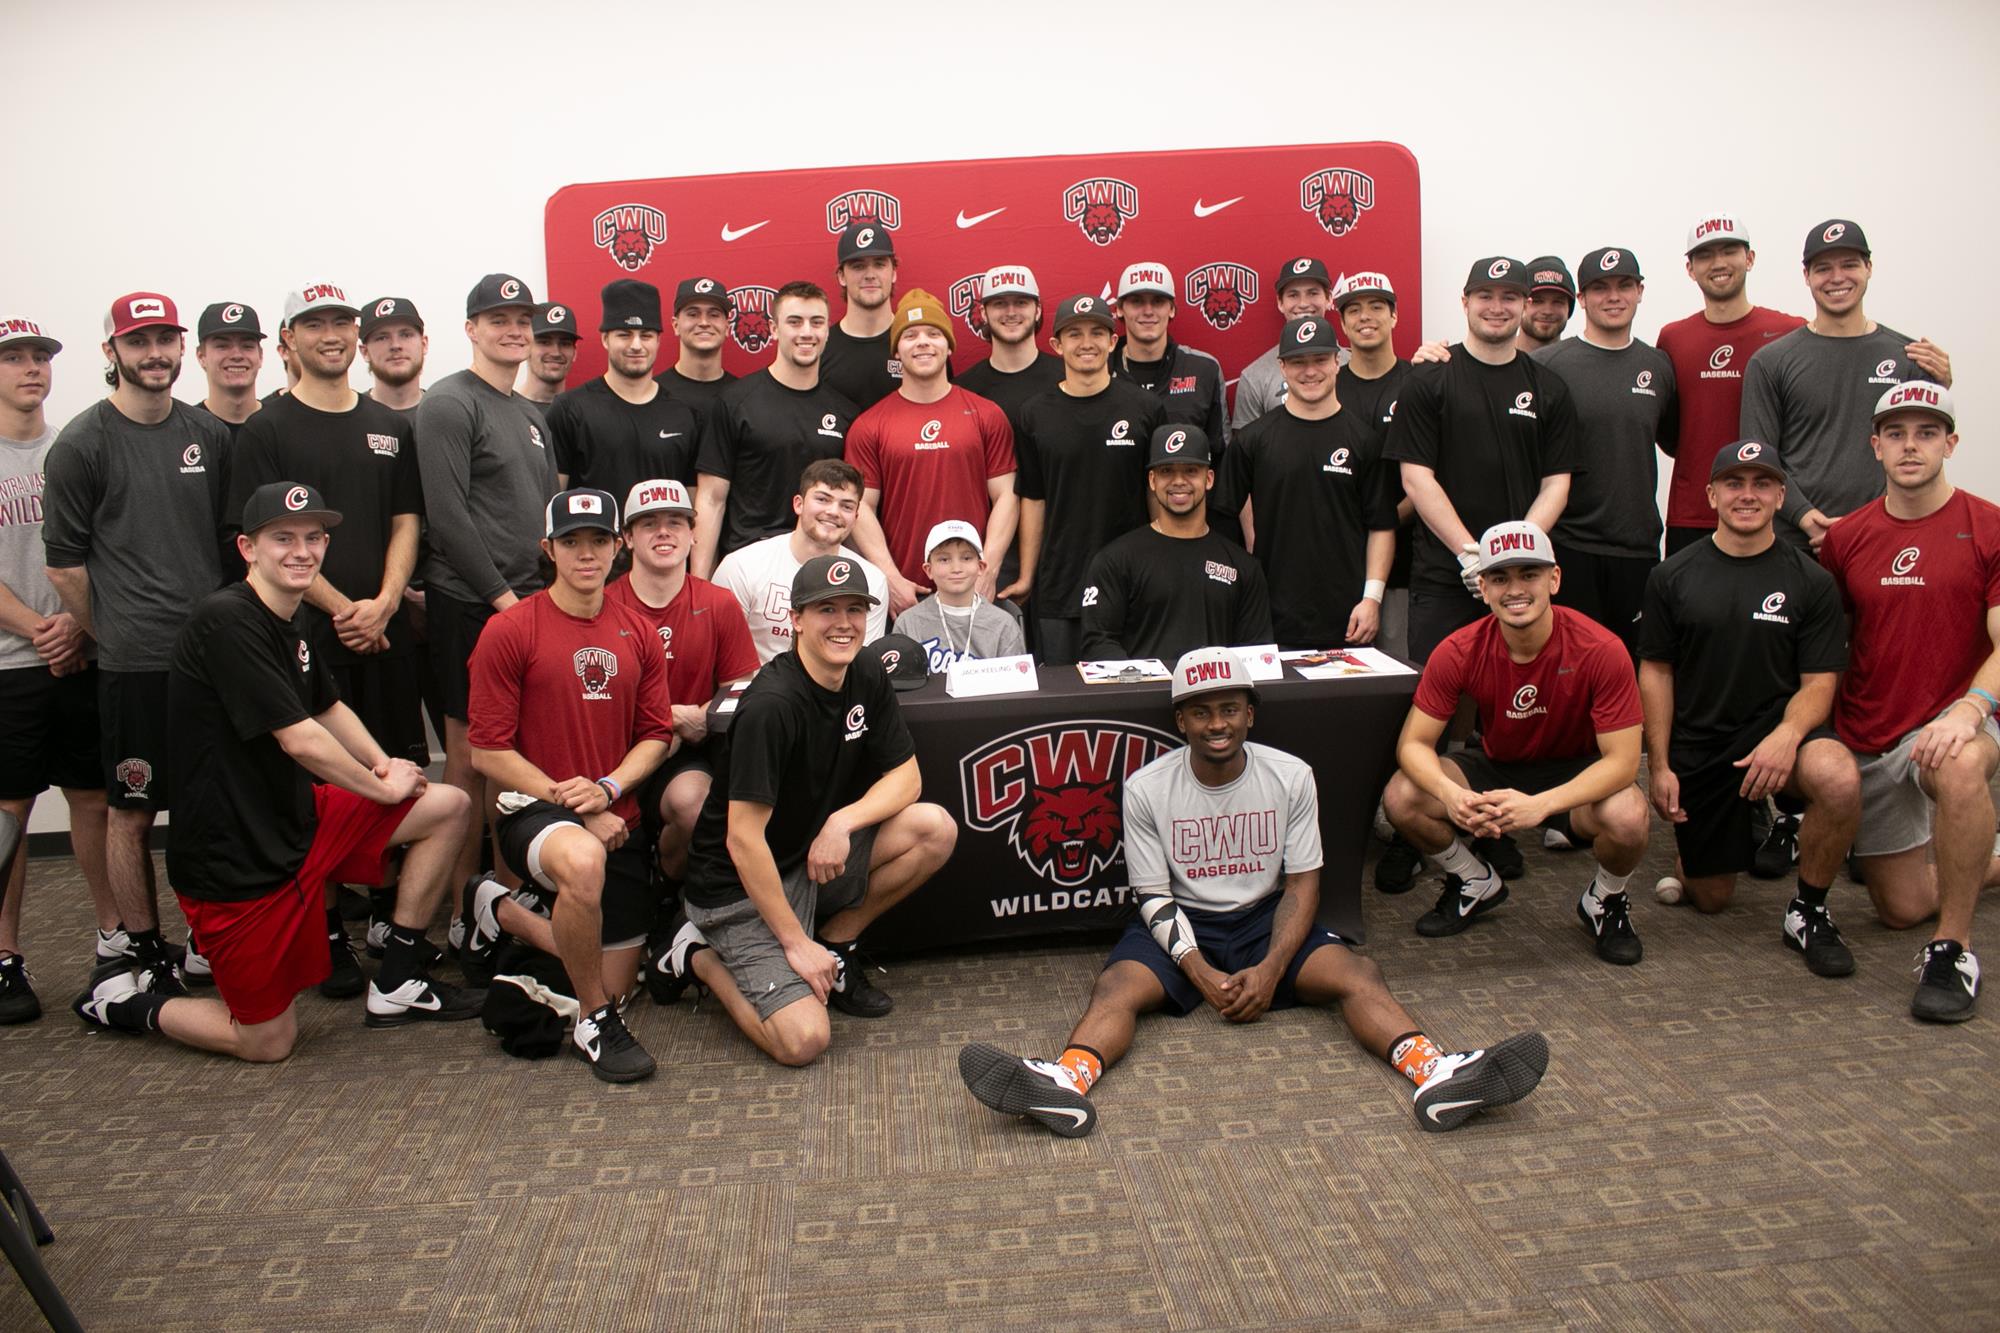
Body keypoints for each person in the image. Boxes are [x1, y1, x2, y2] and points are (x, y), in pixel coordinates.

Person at [957, 645, 1548, 1137]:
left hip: (1267, 918)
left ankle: (1435, 1073)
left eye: (1230, 709)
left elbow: (1302, 884)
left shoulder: (1290, 775)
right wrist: (1197, 970)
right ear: (1181, 721)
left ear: (1250, 714)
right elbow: (1154, 895)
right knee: (1115, 987)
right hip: (1183, 920)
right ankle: (1067, 1080)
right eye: (1202, 712)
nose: (1217, 724)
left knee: (1358, 974)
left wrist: (1270, 968)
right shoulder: (1145, 788)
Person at [72, 483, 480, 1057]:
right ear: (247, 547)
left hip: (298, 821)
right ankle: (125, 1002)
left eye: (313, 537)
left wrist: (384, 762)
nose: (301, 551)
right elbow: (301, 740)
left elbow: (327, 707)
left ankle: (399, 980)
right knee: (266, 1040)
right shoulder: (227, 621)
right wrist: (381, 789)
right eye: (282, 538)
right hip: (237, 861)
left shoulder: (290, 617)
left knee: (448, 805)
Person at [661, 553, 957, 1066]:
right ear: (796, 619)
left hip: (807, 859)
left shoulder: (865, 669)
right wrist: (795, 944)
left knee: (934, 828)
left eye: (854, 610)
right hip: (739, 888)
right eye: (826, 610)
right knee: (803, 1042)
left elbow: (907, 778)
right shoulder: (773, 705)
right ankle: (696, 956)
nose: (843, 624)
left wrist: (842, 822)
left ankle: (838, 944)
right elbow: (742, 841)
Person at [228, 283, 427, 992]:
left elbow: (408, 519)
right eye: (315, 324)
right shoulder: (267, 429)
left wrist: (384, 601)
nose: (333, 334)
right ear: (288, 339)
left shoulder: (388, 424)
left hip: (386, 630)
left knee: (397, 765)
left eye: (342, 320)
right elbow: (255, 539)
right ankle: (327, 926)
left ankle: (389, 913)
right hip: (306, 635)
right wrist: (347, 608)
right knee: (321, 784)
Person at [43, 292, 233, 996]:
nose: (154, 352)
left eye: (165, 339)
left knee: (207, 804)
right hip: (133, 667)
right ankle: (140, 945)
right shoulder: (83, 445)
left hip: (207, 663)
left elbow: (226, 546)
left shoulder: (207, 435)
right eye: (139, 340)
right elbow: (64, 565)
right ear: (112, 352)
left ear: (183, 348)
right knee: (131, 809)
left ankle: (205, 941)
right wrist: (111, 631)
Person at [1378, 257, 1579, 890]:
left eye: (1510, 296)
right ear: (1464, 301)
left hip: (1521, 576)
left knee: (1509, 706)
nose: (1498, 306)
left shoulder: (1547, 388)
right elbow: (1416, 475)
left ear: (1525, 306)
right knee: (1435, 703)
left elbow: (1558, 482)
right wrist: (1471, 553)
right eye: (1485, 295)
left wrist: (1513, 556)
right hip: (1447, 571)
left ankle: (1492, 829)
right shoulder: (1429, 380)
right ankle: (1425, 832)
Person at [464, 488, 674, 1080]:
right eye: (572, 542)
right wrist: (570, 799)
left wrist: (606, 790)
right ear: (548, 549)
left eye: (599, 541)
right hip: (533, 806)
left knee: (618, 976)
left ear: (619, 546)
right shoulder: (510, 630)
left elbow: (656, 735)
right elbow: (487, 751)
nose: (587, 554)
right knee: (582, 863)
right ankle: (592, 1022)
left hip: (613, 812)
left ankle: (499, 910)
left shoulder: (638, 632)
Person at [1383, 521, 1651, 964]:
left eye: (1529, 574)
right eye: (1501, 578)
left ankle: (1605, 898)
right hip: (1499, 765)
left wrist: (1542, 805)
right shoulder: (1458, 649)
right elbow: (1413, 743)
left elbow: (1623, 763)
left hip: (1577, 773)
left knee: (1628, 815)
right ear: (1483, 588)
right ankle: (1473, 879)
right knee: (1403, 795)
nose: (1515, 589)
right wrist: (1451, 795)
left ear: (1554, 579)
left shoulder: (1601, 648)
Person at [1638, 439, 1858, 974]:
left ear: (1781, 496)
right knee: (1711, 898)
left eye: (1762, 484)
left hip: (1780, 728)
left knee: (1839, 778)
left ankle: (1808, 911)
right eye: (1734, 483)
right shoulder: (1672, 576)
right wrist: (1661, 766)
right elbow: (1657, 673)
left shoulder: (1811, 580)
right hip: (1704, 740)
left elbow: (1820, 682)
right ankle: (1726, 837)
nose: (1747, 495)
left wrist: (1785, 737)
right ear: (1711, 495)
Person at [1821, 382, 2000, 1022]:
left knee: (1958, 767)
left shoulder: (1989, 526)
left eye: (1927, 432)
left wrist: (1971, 708)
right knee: (1899, 907)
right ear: (1875, 446)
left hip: (1952, 723)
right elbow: (1830, 645)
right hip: (1871, 733)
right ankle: (1986, 856)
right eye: (1895, 433)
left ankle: (1952, 949)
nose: (1910, 445)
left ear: (1951, 443)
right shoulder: (1847, 539)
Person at [414, 274, 561, 892]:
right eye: (498, 319)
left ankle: (509, 902)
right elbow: (447, 517)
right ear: (471, 329)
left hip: (524, 602)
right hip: (471, 606)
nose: (513, 330)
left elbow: (550, 510)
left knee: (515, 761)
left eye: (522, 320)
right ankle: (459, 915)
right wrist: (503, 602)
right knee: (472, 759)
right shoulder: (450, 401)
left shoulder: (530, 414)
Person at [0, 319, 112, 1023]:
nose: (31, 368)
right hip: (11, 662)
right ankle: (6, 957)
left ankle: (113, 937)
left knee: (94, 799)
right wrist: (39, 630)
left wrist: (76, 623)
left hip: (82, 652)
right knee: (8, 812)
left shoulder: (75, 446)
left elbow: (104, 547)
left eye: (40, 355)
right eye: (14, 357)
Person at [1740, 219, 1953, 552]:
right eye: (1823, 268)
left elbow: (1925, 449)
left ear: (1869, 268)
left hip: (1884, 541)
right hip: (1795, 544)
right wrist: (1806, 516)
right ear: (1806, 276)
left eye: (1850, 265)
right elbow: (1759, 456)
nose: (1837, 278)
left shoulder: (1910, 357)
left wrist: (1940, 390)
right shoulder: (1770, 362)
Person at [602, 478, 758, 883]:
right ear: (628, 539)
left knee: (695, 806)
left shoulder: (716, 602)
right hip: (612, 750)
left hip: (687, 753)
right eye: (649, 523)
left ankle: (667, 885)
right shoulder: (603, 604)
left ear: (693, 534)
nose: (664, 532)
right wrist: (667, 719)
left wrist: (705, 715)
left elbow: (743, 683)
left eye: (676, 521)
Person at [1533, 248, 1678, 653]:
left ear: (1639, 291)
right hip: (1569, 546)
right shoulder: (1549, 365)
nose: (1613, 297)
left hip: (1637, 548)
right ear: (1581, 298)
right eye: (1600, 288)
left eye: (1623, 286)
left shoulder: (1658, 366)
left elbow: (1672, 440)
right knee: (1568, 669)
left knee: (1633, 666)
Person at [1221, 315, 1395, 649]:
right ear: (1282, 367)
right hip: (1269, 615)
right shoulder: (1253, 440)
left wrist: (1371, 599)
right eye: (1298, 362)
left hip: (1348, 617)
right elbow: (1220, 522)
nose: (1310, 371)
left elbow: (1382, 527)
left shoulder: (1365, 441)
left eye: (1319, 360)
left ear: (1337, 362)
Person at [1008, 295, 1163, 665]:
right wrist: (1029, 575)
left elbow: (1154, 489)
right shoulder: (1033, 414)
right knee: (1064, 698)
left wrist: (1160, 563)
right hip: (1060, 583)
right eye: (1074, 334)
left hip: (1133, 580)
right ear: (1057, 345)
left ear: (1113, 342)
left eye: (1097, 332)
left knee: (1132, 691)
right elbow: (1033, 497)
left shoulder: (1145, 409)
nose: (1087, 343)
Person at [845, 289, 1017, 614]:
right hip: (908, 594)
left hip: (973, 590)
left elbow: (1007, 495)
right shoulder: (870, 424)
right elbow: (861, 508)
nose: (922, 342)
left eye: (933, 333)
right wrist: (890, 577)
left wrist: (988, 568)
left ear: (949, 345)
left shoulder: (986, 414)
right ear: (896, 350)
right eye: (910, 335)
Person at [1655, 215, 1804, 558]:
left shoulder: (1790, 332)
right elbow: (1668, 429)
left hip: (1770, 512)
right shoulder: (1674, 338)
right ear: (1690, 268)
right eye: (1706, 255)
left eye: (1729, 251)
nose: (1719, 263)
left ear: (1749, 259)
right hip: (1693, 516)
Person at [693, 282, 857, 576]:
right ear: (773, 329)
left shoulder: (845, 412)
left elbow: (851, 506)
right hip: (749, 565)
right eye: (794, 322)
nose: (806, 332)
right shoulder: (735, 403)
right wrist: (699, 584)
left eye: (816, 322)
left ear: (827, 331)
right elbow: (710, 499)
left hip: (820, 567)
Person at [1080, 426, 1272, 662]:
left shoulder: (1243, 567)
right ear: (1152, 480)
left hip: (1213, 696)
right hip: (1143, 696)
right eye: (1167, 471)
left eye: (1191, 470)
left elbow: (1257, 656)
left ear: (1209, 478)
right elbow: (1098, 643)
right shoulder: (1114, 560)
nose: (1178, 481)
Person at [713, 459, 888, 665]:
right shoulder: (741, 566)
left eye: (846, 506)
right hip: (755, 692)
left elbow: (861, 665)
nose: (833, 511)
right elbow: (723, 662)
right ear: (799, 504)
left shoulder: (871, 580)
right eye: (823, 499)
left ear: (856, 516)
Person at [545, 278, 700, 503]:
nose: (636, 345)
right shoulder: (569, 410)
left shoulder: (685, 414)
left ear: (658, 341)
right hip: (596, 538)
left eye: (646, 335)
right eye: (624, 334)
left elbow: (691, 506)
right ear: (605, 339)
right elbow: (551, 503)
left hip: (663, 539)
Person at [1332, 272, 1416, 660]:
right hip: (1340, 565)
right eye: (1354, 309)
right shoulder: (1328, 388)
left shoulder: (1420, 383)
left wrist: (1381, 521)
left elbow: (1433, 475)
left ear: (1395, 316)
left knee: (1408, 679)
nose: (1365, 317)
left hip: (1407, 569)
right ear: (1343, 322)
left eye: (1377, 307)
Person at [1109, 262, 1227, 452]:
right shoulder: (1100, 368)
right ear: (1119, 309)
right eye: (1137, 301)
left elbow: (1220, 453)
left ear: (1172, 309)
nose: (1148, 311)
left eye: (1158, 301)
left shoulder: (1203, 368)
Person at [892, 520, 1025, 672]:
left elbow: (1015, 688)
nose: (956, 568)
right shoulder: (908, 624)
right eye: (944, 559)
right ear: (928, 570)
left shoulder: (1003, 625)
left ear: (980, 567)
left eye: (966, 558)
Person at [1229, 256, 1339, 431]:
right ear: (1280, 302)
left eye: (1313, 293)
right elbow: (1246, 450)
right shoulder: (1255, 376)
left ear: (1329, 298)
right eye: (1293, 295)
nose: (1303, 304)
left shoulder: (1353, 364)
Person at [954, 265, 1063, 429]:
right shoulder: (963, 390)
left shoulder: (1068, 377)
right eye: (999, 303)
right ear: (984, 313)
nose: (1011, 312)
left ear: (1038, 310)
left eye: (1021, 302)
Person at [818, 223, 903, 409]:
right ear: (841, 276)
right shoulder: (820, 349)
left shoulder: (919, 343)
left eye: (879, 264)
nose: (870, 275)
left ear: (894, 272)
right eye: (858, 266)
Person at [656, 277, 737, 425]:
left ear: (727, 327)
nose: (704, 323)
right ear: (675, 325)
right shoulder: (652, 393)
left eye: (714, 315)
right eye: (693, 314)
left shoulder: (743, 396)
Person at [192, 302, 266, 436]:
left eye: (247, 346)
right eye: (222, 346)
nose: (237, 355)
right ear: (201, 356)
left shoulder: (283, 425)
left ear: (260, 356)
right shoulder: (187, 429)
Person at [360, 297, 428, 417]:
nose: (395, 345)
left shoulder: (449, 414)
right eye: (382, 337)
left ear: (424, 344)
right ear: (365, 352)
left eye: (406, 335)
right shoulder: (352, 419)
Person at [518, 301, 579, 406]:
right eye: (544, 342)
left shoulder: (582, 413)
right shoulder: (502, 410)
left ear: (575, 352)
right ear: (526, 347)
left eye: (565, 343)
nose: (556, 353)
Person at [1518, 257, 1574, 353]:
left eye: (1557, 302)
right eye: (1537, 301)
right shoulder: (1493, 360)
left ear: (1569, 308)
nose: (1547, 311)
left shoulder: (1580, 364)